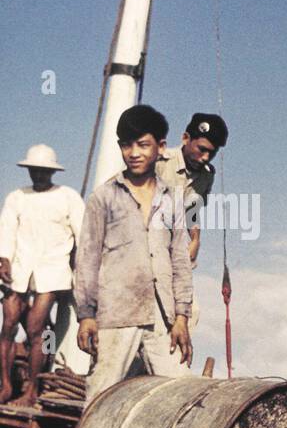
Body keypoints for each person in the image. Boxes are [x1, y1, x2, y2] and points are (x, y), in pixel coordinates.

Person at [77, 105, 193, 402]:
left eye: (143, 144)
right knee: (101, 396)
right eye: (127, 145)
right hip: (116, 313)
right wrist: (86, 315)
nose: (134, 153)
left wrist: (181, 316)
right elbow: (87, 259)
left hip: (163, 316)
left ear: (161, 148)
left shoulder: (172, 199)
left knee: (178, 395)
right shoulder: (104, 196)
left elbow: (180, 260)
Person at [0, 145, 84, 405]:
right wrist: (3, 258)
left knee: (40, 329)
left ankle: (33, 390)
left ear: (52, 172)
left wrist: (82, 270)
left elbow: (83, 234)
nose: (38, 175)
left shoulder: (68, 196)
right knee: (8, 325)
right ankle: (5, 385)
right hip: (20, 269)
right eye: (34, 170)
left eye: (43, 171)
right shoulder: (17, 197)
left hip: (53, 271)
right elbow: (6, 230)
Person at [156, 112, 228, 268]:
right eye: (202, 149)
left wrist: (195, 239)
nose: (206, 158)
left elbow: (192, 212)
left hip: (171, 255)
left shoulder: (207, 176)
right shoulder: (159, 161)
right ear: (186, 139)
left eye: (212, 153)